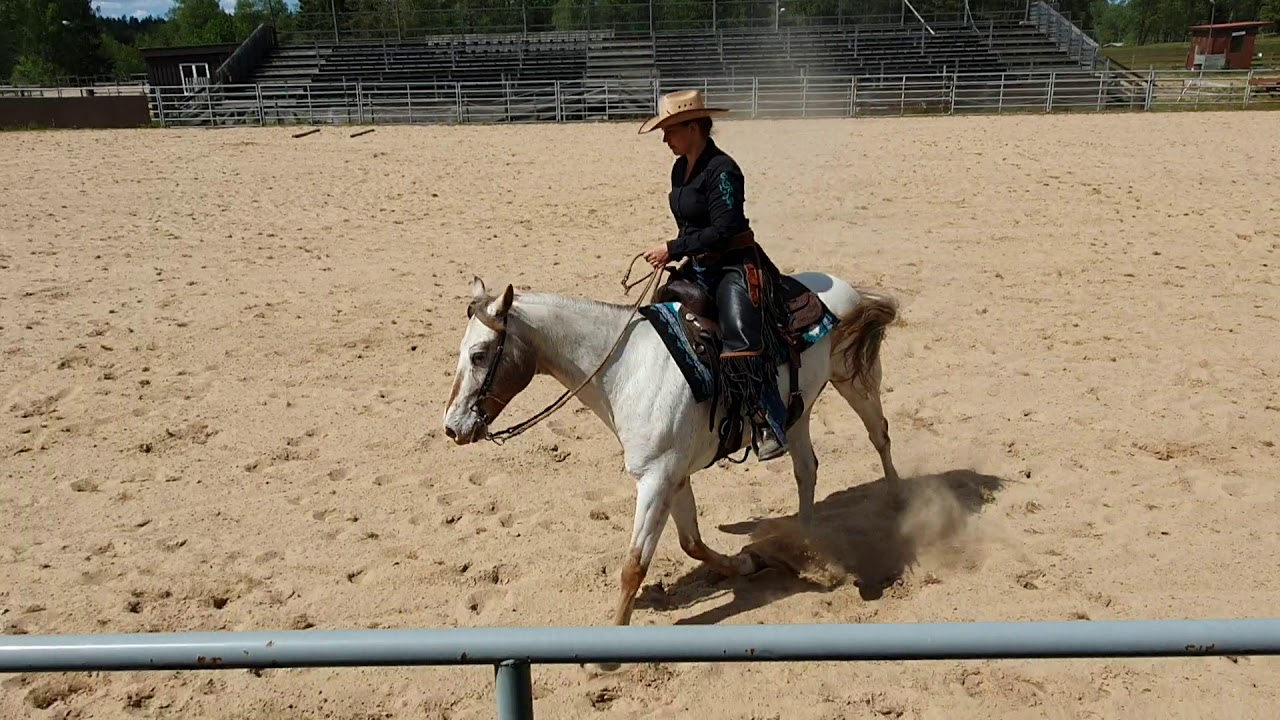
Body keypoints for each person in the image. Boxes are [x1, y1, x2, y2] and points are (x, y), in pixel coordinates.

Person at [638, 89, 790, 462]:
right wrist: (682, 250)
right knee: (662, 315)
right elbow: (693, 223)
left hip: (734, 264)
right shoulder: (680, 169)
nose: (665, 139)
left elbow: (726, 228)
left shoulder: (724, 170)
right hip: (701, 263)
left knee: (740, 338)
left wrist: (673, 249)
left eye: (671, 130)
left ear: (694, 127)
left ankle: (770, 422)